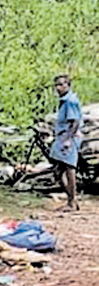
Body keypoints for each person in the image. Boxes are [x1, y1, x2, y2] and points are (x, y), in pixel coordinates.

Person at [49, 74, 83, 211]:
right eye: (56, 85)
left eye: (61, 85)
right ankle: (72, 200)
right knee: (58, 170)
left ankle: (71, 202)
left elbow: (74, 122)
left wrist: (68, 139)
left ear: (67, 86)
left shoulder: (70, 101)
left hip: (68, 137)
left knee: (69, 169)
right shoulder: (65, 100)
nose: (58, 88)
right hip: (62, 136)